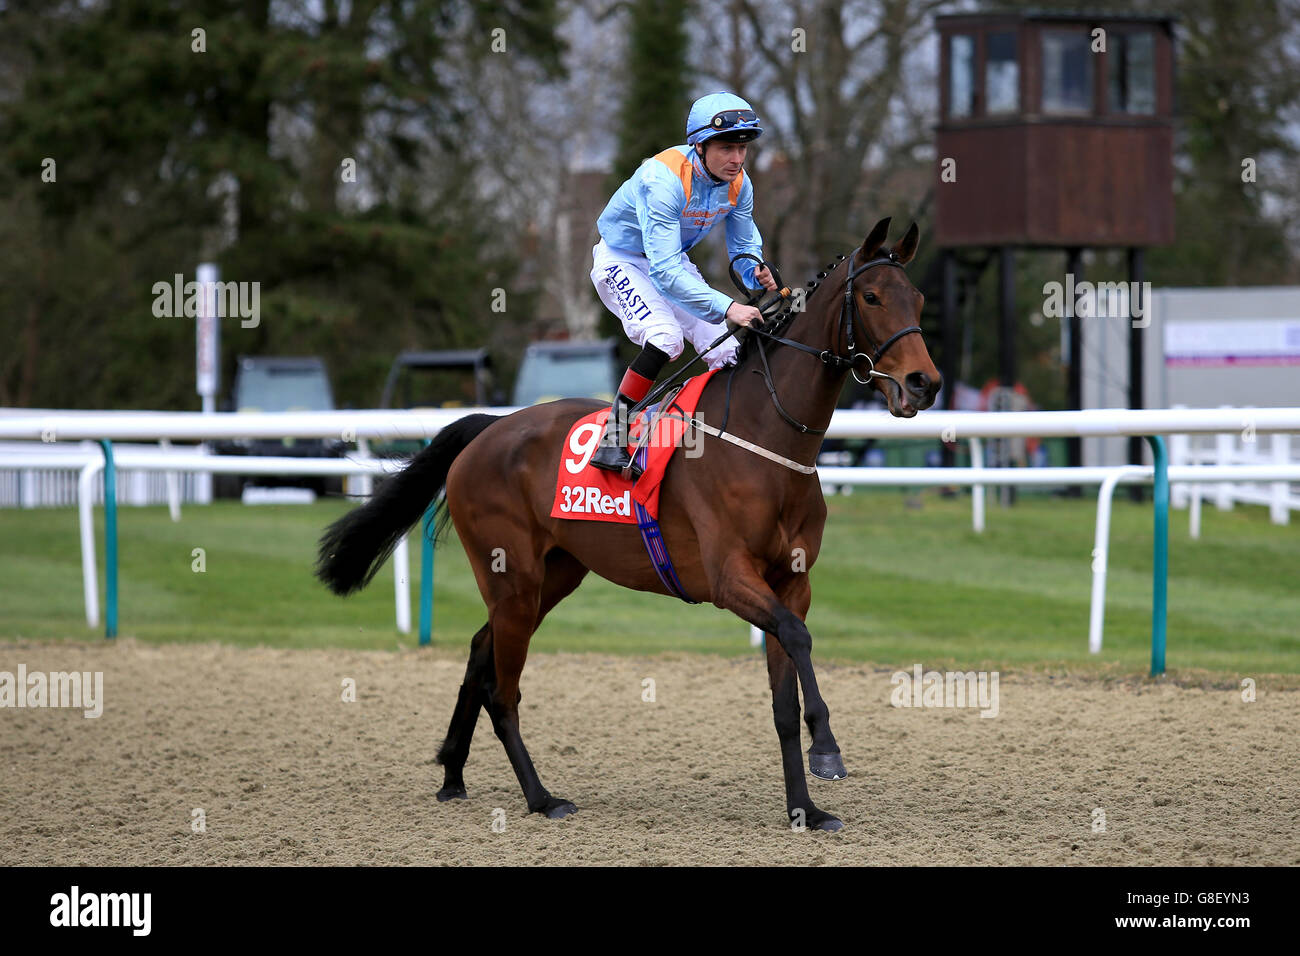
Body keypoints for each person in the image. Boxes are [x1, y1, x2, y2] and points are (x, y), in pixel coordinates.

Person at [587, 90, 777, 475]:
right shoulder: (663, 179)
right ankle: (613, 437)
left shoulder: (740, 183)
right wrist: (729, 307)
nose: (737, 159)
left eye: (743, 148)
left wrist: (754, 271)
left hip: (669, 263)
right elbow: (665, 273)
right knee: (666, 338)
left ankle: (727, 444)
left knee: (725, 352)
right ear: (700, 145)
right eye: (726, 148)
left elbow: (742, 246)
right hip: (623, 261)